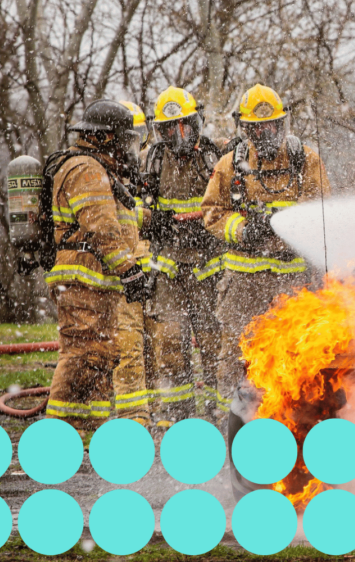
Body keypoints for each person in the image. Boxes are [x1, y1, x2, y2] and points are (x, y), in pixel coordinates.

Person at [201, 83, 331, 435]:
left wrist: (296, 234)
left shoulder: (306, 160)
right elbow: (212, 212)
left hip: (291, 284)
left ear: (282, 124)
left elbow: (323, 211)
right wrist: (243, 230)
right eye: (256, 128)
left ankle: (294, 425)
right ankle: (227, 429)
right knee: (233, 357)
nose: (264, 133)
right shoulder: (230, 165)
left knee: (296, 353)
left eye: (270, 125)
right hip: (243, 283)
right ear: (245, 129)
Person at [44, 99, 150, 438]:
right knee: (80, 353)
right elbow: (101, 226)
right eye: (122, 139)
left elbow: (116, 222)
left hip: (94, 281)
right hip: (81, 279)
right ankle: (58, 434)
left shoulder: (96, 169)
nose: (126, 148)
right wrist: (129, 269)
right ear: (105, 139)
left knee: (101, 354)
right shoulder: (86, 169)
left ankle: (88, 430)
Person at [141, 86, 225, 427]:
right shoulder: (153, 158)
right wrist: (155, 222)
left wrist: (206, 225)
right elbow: (135, 208)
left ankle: (220, 412)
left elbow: (226, 204)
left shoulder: (212, 156)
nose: (179, 135)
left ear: (196, 123)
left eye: (185, 126)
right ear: (160, 131)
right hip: (168, 270)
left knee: (212, 341)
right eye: (171, 128)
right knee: (171, 344)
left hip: (207, 267)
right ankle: (179, 417)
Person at [109, 101, 155, 427]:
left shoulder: (149, 165)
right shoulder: (102, 172)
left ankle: (151, 412)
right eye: (129, 137)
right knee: (129, 349)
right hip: (123, 273)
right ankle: (132, 419)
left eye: (139, 136)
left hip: (151, 271)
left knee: (157, 348)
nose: (133, 145)